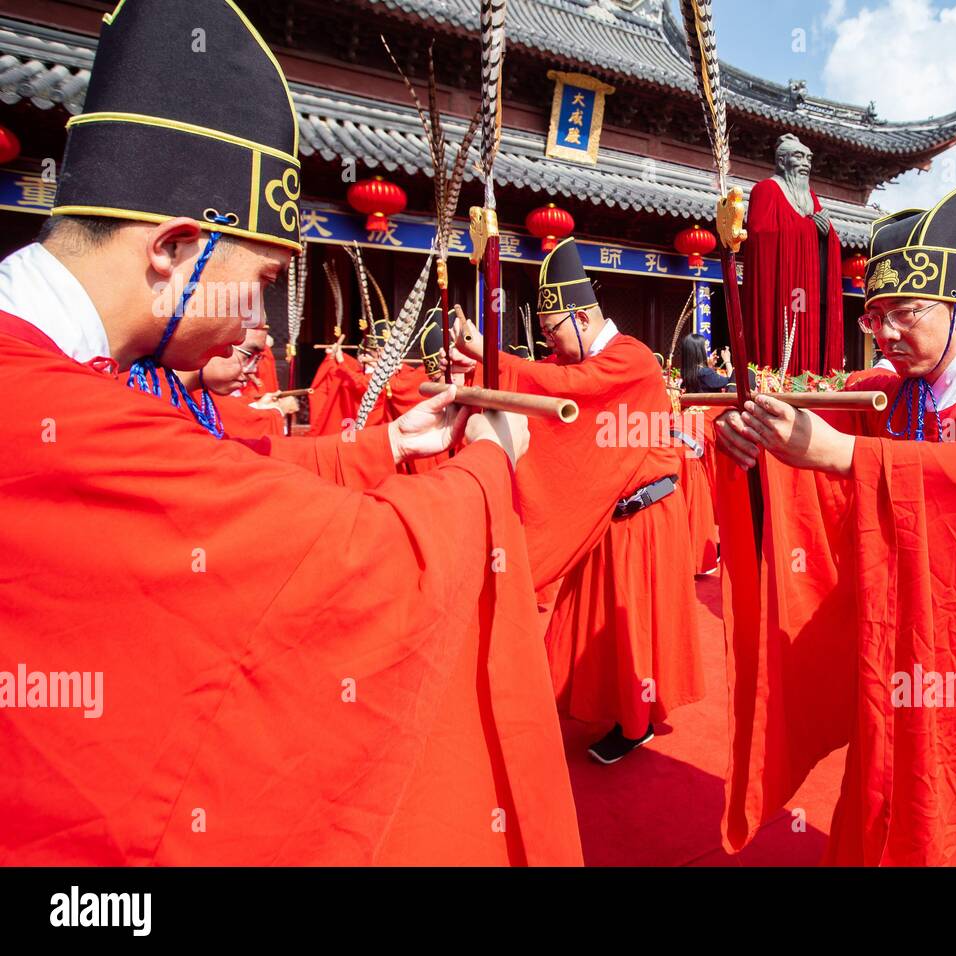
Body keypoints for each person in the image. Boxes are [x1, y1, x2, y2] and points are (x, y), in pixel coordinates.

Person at [0, 0, 581, 866]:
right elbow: (367, 563)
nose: (259, 319)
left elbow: (218, 468)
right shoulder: (51, 406)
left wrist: (386, 447)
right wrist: (489, 460)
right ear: (173, 248)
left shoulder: (55, 375)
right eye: (261, 277)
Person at [711, 182, 956, 865]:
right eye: (874, 317)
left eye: (905, 313)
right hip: (908, 655)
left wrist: (847, 456)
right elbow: (797, 443)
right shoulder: (881, 395)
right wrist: (747, 439)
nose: (887, 335)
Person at [448, 237, 704, 765]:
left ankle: (636, 724)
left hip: (646, 516)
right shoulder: (596, 358)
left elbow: (573, 387)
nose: (551, 344)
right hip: (609, 515)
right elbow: (556, 385)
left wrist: (489, 354)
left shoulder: (631, 359)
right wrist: (481, 370)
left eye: (553, 331)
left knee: (630, 623)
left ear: (581, 317)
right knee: (596, 625)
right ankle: (622, 709)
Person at [741, 134, 844, 375]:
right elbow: (760, 233)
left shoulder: (809, 196)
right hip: (779, 287)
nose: (806, 163)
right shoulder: (766, 189)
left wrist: (825, 232)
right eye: (799, 156)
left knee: (807, 326)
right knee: (783, 331)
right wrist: (808, 227)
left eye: (809, 158)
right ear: (781, 160)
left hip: (805, 289)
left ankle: (811, 377)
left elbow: (828, 232)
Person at [679, 334, 754, 393]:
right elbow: (732, 384)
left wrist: (709, 366)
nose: (707, 350)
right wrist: (727, 361)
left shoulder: (687, 372)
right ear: (699, 351)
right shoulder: (705, 373)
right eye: (705, 347)